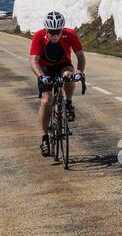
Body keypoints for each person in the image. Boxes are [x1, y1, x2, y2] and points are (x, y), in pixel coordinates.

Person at [29, 10, 86, 157]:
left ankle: (68, 103)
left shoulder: (70, 34)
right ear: (46, 29)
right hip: (45, 68)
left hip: (63, 64)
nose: (54, 35)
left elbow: (80, 56)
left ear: (62, 30)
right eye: (51, 32)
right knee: (46, 100)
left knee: (69, 76)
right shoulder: (38, 36)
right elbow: (34, 60)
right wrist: (41, 76)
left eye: (57, 32)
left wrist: (79, 71)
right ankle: (45, 138)